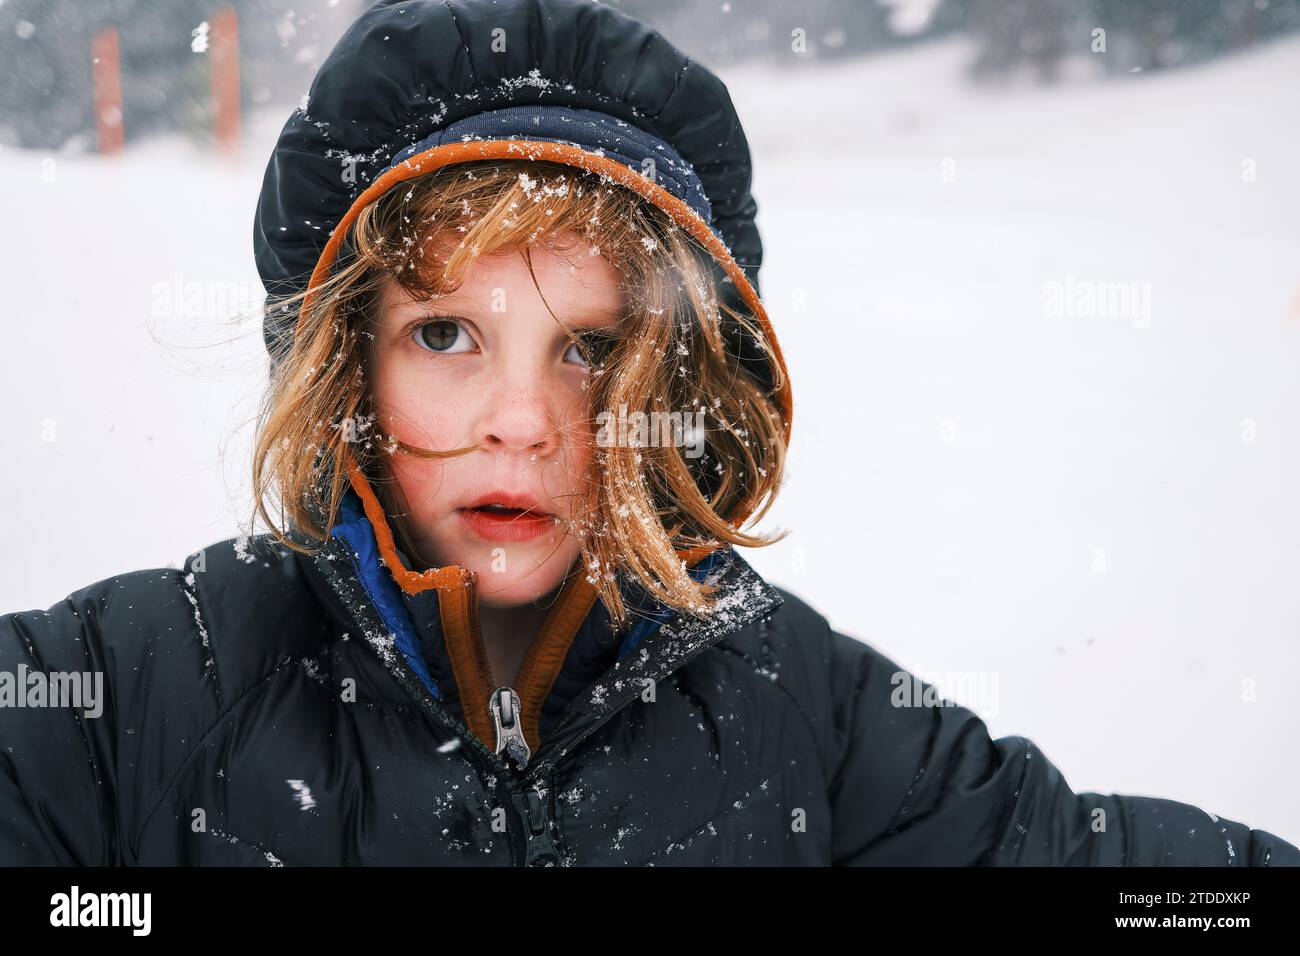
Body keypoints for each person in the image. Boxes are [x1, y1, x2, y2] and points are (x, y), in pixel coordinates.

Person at [1, 0, 1295, 867]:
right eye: (447, 335)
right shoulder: (146, 694)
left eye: (593, 349)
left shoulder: (816, 719)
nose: (519, 423)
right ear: (348, 367)